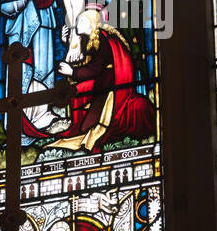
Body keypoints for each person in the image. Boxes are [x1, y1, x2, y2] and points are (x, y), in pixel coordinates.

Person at [48, 9, 155, 153]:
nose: (77, 24)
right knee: (77, 95)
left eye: (81, 21)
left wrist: (72, 72)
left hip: (111, 85)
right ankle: (80, 124)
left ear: (91, 24)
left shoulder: (104, 39)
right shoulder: (94, 39)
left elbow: (95, 68)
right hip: (102, 82)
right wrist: (65, 42)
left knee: (90, 128)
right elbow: (87, 62)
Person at [0, 0, 61, 141]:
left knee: (44, 71)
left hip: (43, 32)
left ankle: (43, 114)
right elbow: (6, 7)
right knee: (24, 73)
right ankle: (23, 122)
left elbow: (50, 1)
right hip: (22, 34)